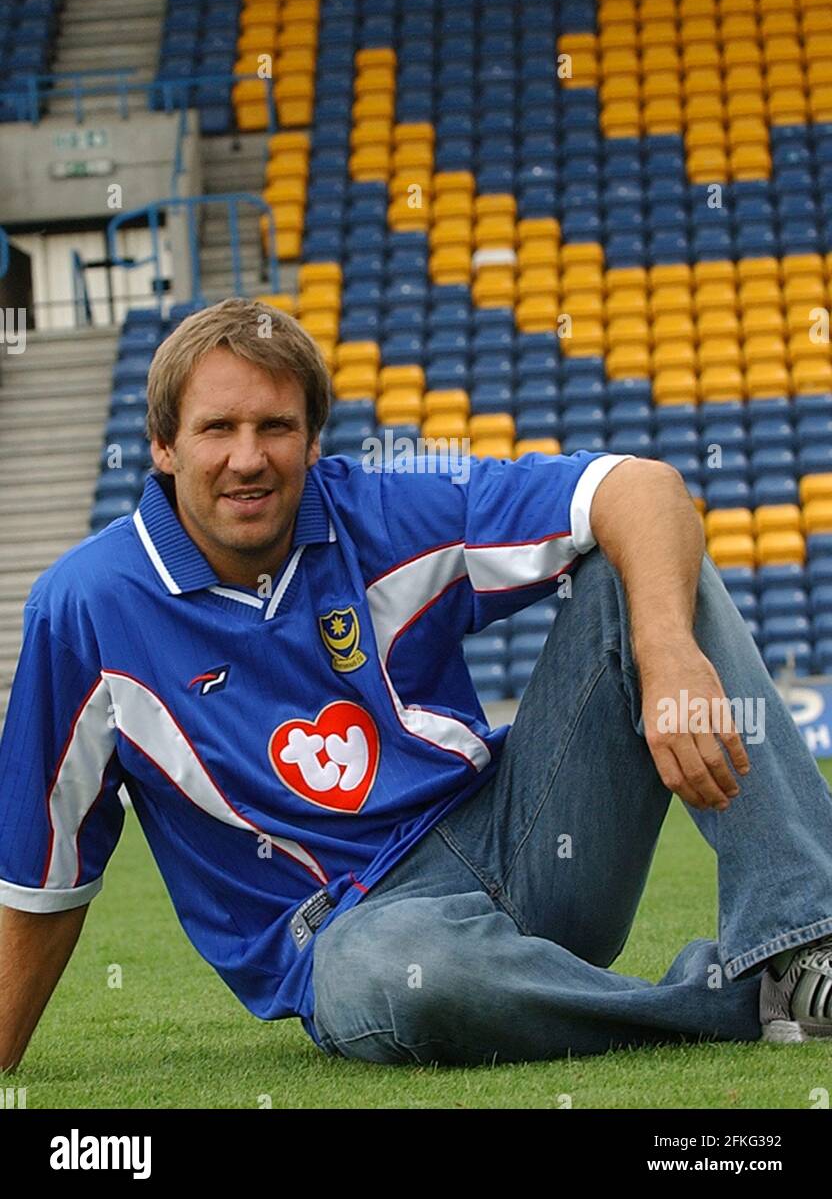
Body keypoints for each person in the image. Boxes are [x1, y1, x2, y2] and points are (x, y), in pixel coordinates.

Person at [1, 297, 831, 1074]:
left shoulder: (381, 514)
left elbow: (638, 486)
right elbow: (43, 868)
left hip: (520, 845)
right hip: (349, 931)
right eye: (218, 427)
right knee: (396, 972)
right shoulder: (87, 606)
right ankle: (736, 1004)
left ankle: (806, 944)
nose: (247, 458)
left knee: (643, 569)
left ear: (313, 440)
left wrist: (667, 654)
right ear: (164, 445)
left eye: (276, 427)